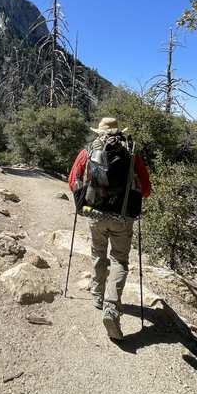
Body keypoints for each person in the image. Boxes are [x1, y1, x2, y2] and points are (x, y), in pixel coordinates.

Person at [68, 117, 151, 340]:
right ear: (119, 132)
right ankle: (111, 308)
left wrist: (87, 197)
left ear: (99, 132)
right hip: (123, 219)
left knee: (98, 254)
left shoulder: (88, 150)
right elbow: (146, 189)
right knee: (119, 261)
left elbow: (72, 181)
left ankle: (97, 296)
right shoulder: (131, 152)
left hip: (94, 214)